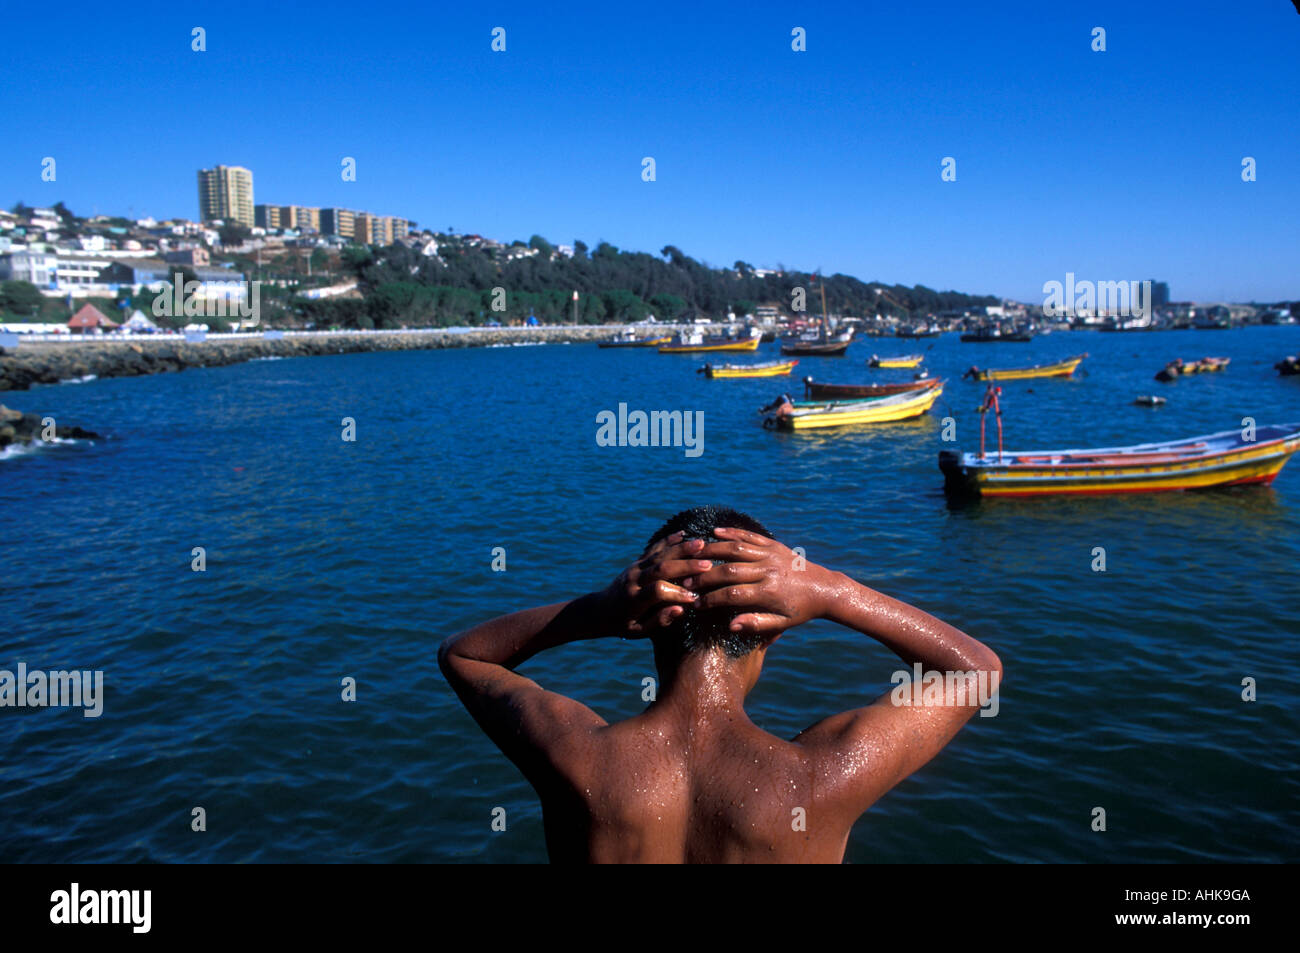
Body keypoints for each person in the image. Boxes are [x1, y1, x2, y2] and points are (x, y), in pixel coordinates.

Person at [439, 505, 1003, 863]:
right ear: (773, 635)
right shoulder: (820, 780)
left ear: (647, 629)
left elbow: (464, 655)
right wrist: (830, 590)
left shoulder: (575, 759)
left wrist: (599, 611)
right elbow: (976, 672)